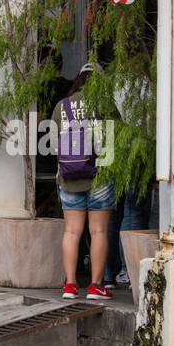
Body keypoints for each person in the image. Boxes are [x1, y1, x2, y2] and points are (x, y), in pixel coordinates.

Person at [51, 64, 114, 301]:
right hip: (99, 176)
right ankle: (96, 286)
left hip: (68, 177)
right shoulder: (103, 104)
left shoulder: (62, 105)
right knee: (97, 231)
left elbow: (55, 141)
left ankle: (70, 285)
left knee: (71, 231)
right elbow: (115, 135)